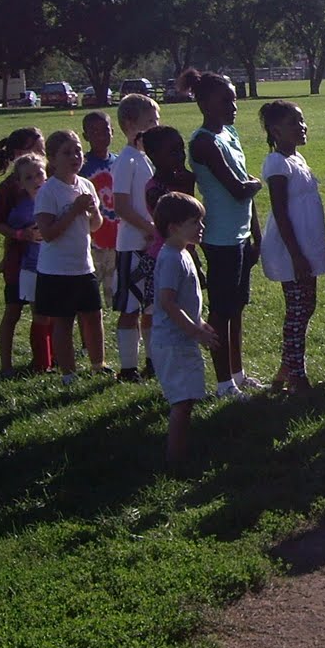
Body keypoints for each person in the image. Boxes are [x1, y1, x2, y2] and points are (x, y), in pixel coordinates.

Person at [181, 68, 264, 401]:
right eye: (225, 101)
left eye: (234, 99)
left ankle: (237, 373)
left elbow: (246, 189)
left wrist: (256, 236)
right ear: (204, 104)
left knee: (237, 308)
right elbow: (238, 188)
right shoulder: (203, 142)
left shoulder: (229, 133)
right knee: (221, 312)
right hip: (220, 239)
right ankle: (223, 384)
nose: (234, 106)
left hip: (240, 237)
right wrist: (255, 184)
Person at [258, 100, 325, 395]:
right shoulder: (277, 163)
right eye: (293, 123)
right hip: (291, 250)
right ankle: (297, 376)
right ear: (275, 131)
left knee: (306, 306)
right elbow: (281, 211)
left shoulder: (297, 159)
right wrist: (296, 254)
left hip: (305, 248)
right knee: (297, 311)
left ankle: (285, 371)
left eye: (302, 120)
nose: (302, 127)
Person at [149, 192, 217, 471]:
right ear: (174, 227)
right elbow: (167, 301)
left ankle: (181, 451)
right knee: (182, 402)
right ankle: (175, 459)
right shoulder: (171, 258)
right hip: (172, 342)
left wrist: (199, 324)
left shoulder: (184, 253)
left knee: (187, 399)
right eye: (194, 222)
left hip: (182, 339)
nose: (201, 227)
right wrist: (194, 331)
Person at [33, 130, 106, 385]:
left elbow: (95, 226)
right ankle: (68, 373)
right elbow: (48, 233)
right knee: (64, 322)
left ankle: (98, 364)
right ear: (52, 159)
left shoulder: (86, 185)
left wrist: (93, 211)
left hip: (83, 265)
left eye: (77, 151)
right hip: (56, 270)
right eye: (67, 153)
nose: (75, 157)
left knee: (93, 316)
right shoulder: (49, 191)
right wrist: (74, 210)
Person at [110, 93, 161, 383]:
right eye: (149, 122)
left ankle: (153, 361)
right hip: (132, 244)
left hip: (151, 245)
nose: (155, 127)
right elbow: (121, 206)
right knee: (130, 307)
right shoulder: (126, 160)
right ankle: (128, 367)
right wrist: (149, 228)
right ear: (130, 124)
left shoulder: (146, 159)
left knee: (151, 307)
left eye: (157, 121)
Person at [0, 126, 45, 377]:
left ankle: (42, 360)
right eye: (34, 149)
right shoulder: (9, 188)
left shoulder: (47, 181)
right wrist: (21, 235)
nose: (39, 154)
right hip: (17, 259)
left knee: (42, 311)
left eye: (42, 149)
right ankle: (6, 365)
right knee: (13, 310)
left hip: (43, 260)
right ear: (16, 153)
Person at [7, 153, 54, 373]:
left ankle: (56, 357)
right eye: (29, 178)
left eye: (39, 174)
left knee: (56, 314)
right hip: (32, 267)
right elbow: (11, 232)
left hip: (56, 266)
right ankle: (41, 363)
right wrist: (24, 234)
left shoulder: (54, 198)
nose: (36, 181)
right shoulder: (22, 209)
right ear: (20, 183)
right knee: (40, 314)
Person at [80, 109, 119, 307]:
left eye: (105, 130)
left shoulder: (120, 162)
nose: (101, 136)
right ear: (85, 136)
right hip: (93, 240)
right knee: (89, 296)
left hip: (117, 238)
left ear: (113, 131)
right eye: (94, 132)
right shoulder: (81, 166)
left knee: (117, 294)